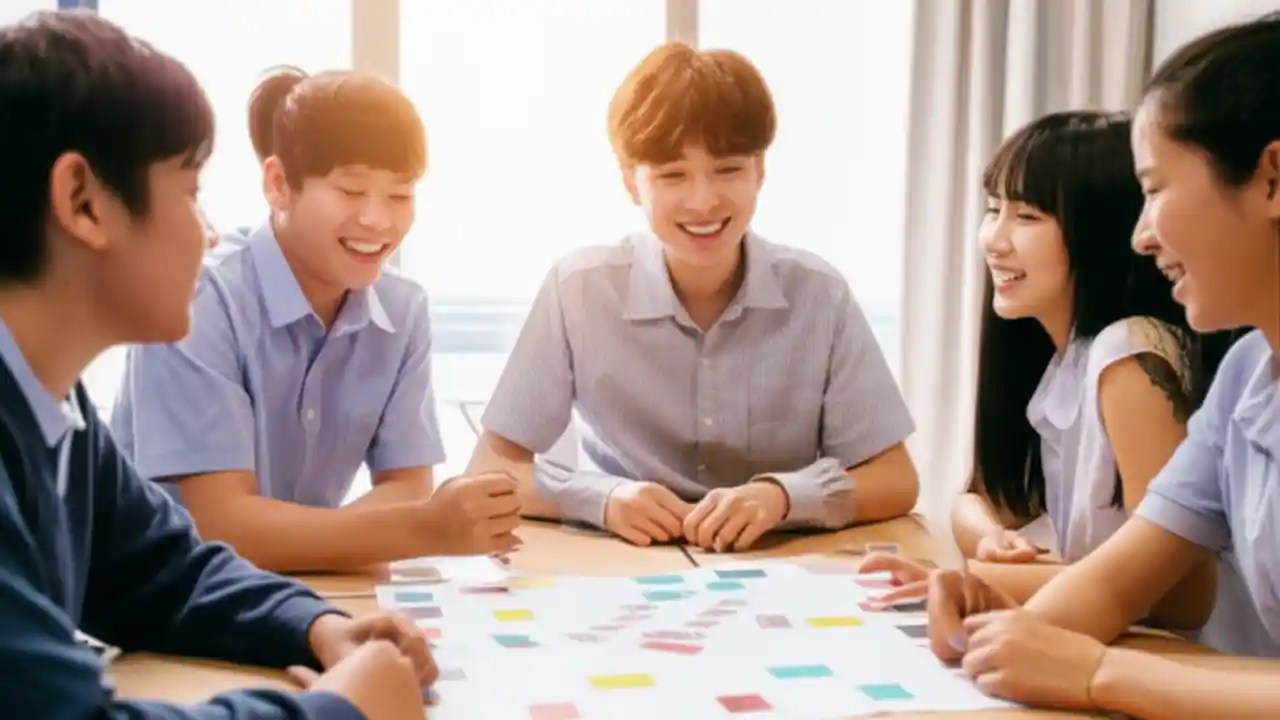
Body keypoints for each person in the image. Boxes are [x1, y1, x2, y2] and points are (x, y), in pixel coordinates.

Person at [0, 11, 434, 718]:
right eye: (190, 192)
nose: (206, 234)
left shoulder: (55, 406)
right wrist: (339, 711)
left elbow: (163, 570)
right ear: (83, 202)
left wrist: (320, 626)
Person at [917, 13, 1280, 718]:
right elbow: (1116, 584)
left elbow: (1165, 611)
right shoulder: (1245, 376)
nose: (1140, 236)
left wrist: (1100, 673)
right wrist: (997, 620)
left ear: (1272, 179)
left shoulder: (1130, 353)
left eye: (1156, 189)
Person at [466, 42, 919, 551]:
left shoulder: (820, 295)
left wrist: (781, 496)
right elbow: (490, 472)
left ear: (760, 171)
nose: (702, 201)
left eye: (728, 170)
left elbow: (896, 478)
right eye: (672, 175)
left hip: (783, 562)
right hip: (620, 563)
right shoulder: (579, 290)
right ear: (631, 182)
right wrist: (603, 498)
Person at [111, 66, 520, 572]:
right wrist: (423, 529)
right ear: (279, 184)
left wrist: (327, 540)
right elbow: (221, 526)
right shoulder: (198, 299)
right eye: (351, 191)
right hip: (164, 590)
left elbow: (408, 488)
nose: (378, 220)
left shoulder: (402, 309)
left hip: (300, 588)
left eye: (400, 195)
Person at [864, 112, 1225, 624]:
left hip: (1185, 661)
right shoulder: (1064, 357)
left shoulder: (1129, 355)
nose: (995, 239)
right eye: (994, 210)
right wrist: (993, 541)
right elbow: (979, 498)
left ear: (1100, 230)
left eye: (1028, 216)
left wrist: (977, 579)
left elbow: (1175, 595)